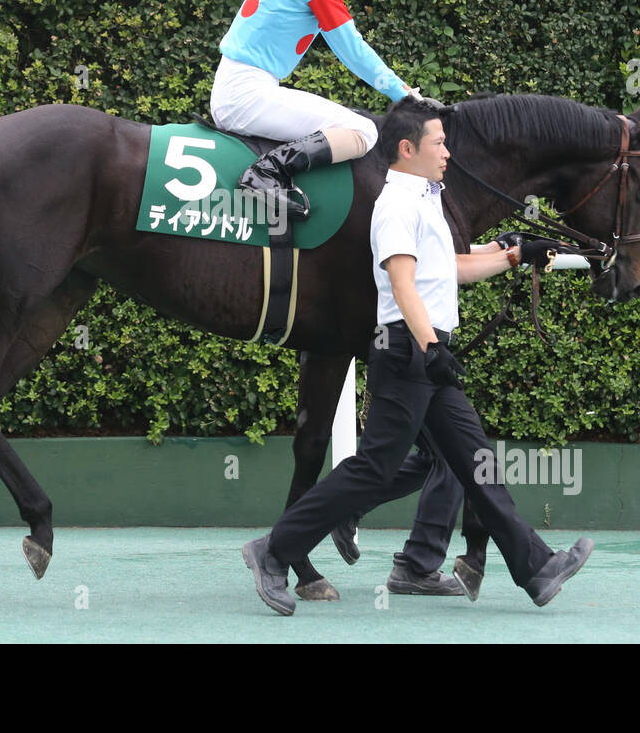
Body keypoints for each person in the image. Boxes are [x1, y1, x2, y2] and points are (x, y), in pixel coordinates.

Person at [242, 96, 594, 615]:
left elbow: (449, 266)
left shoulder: (426, 197)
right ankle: (271, 551)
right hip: (408, 352)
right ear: (407, 149)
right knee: (373, 470)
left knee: (476, 463)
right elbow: (402, 283)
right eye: (439, 142)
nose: (448, 151)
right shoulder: (396, 206)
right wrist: (431, 348)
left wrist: (517, 254)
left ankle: (536, 568)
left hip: (427, 353)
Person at [212, 0, 427, 221]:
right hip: (245, 95)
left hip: (244, 86)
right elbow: (350, 48)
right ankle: (267, 173)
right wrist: (405, 95)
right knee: (362, 129)